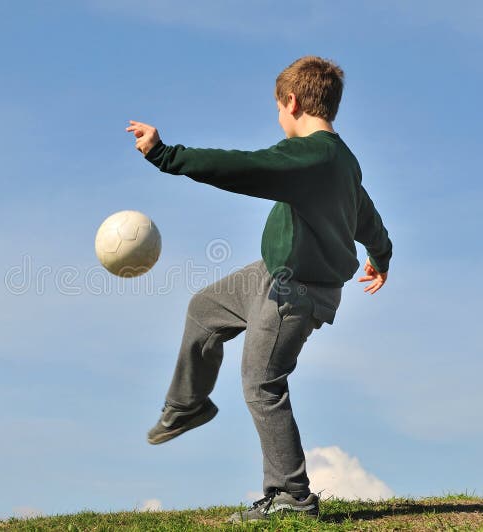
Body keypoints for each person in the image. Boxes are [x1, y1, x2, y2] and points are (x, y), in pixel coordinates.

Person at [125, 56, 392, 523]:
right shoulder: (342, 161)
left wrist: (166, 154)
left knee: (262, 383)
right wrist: (381, 255)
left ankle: (291, 495)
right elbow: (365, 215)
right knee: (205, 309)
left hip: (296, 290)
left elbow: (242, 166)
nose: (277, 117)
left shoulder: (309, 156)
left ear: (291, 102)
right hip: (272, 271)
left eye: (277, 107)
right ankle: (188, 405)